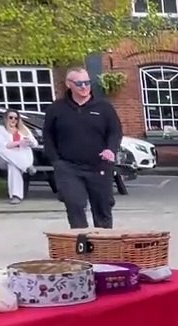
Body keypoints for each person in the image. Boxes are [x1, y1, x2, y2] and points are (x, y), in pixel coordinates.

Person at [41, 67, 122, 229]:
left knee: (103, 208)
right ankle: (82, 245)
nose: (84, 87)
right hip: (68, 167)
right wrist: (56, 161)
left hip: (99, 166)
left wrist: (110, 149)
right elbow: (48, 136)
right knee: (75, 205)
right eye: (79, 83)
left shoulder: (104, 107)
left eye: (87, 82)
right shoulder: (56, 109)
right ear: (68, 84)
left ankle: (103, 246)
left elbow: (115, 131)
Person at [0, 109, 36, 205]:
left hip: (20, 157)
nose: (13, 120)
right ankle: (26, 167)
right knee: (0, 151)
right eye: (11, 117)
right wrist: (18, 143)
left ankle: (16, 196)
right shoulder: (0, 129)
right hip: (3, 157)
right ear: (6, 118)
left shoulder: (23, 129)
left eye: (16, 118)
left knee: (13, 166)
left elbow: (35, 143)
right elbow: (1, 145)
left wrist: (29, 142)